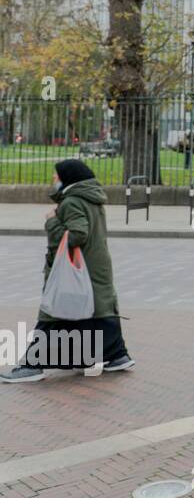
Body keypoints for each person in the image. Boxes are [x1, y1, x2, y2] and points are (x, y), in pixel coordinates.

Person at [2, 159, 133, 383]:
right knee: (98, 311)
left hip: (74, 270)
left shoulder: (72, 202)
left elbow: (77, 235)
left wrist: (52, 222)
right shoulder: (91, 199)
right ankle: (116, 356)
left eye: (57, 176)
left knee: (55, 313)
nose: (54, 179)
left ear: (68, 179)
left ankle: (33, 365)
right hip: (94, 267)